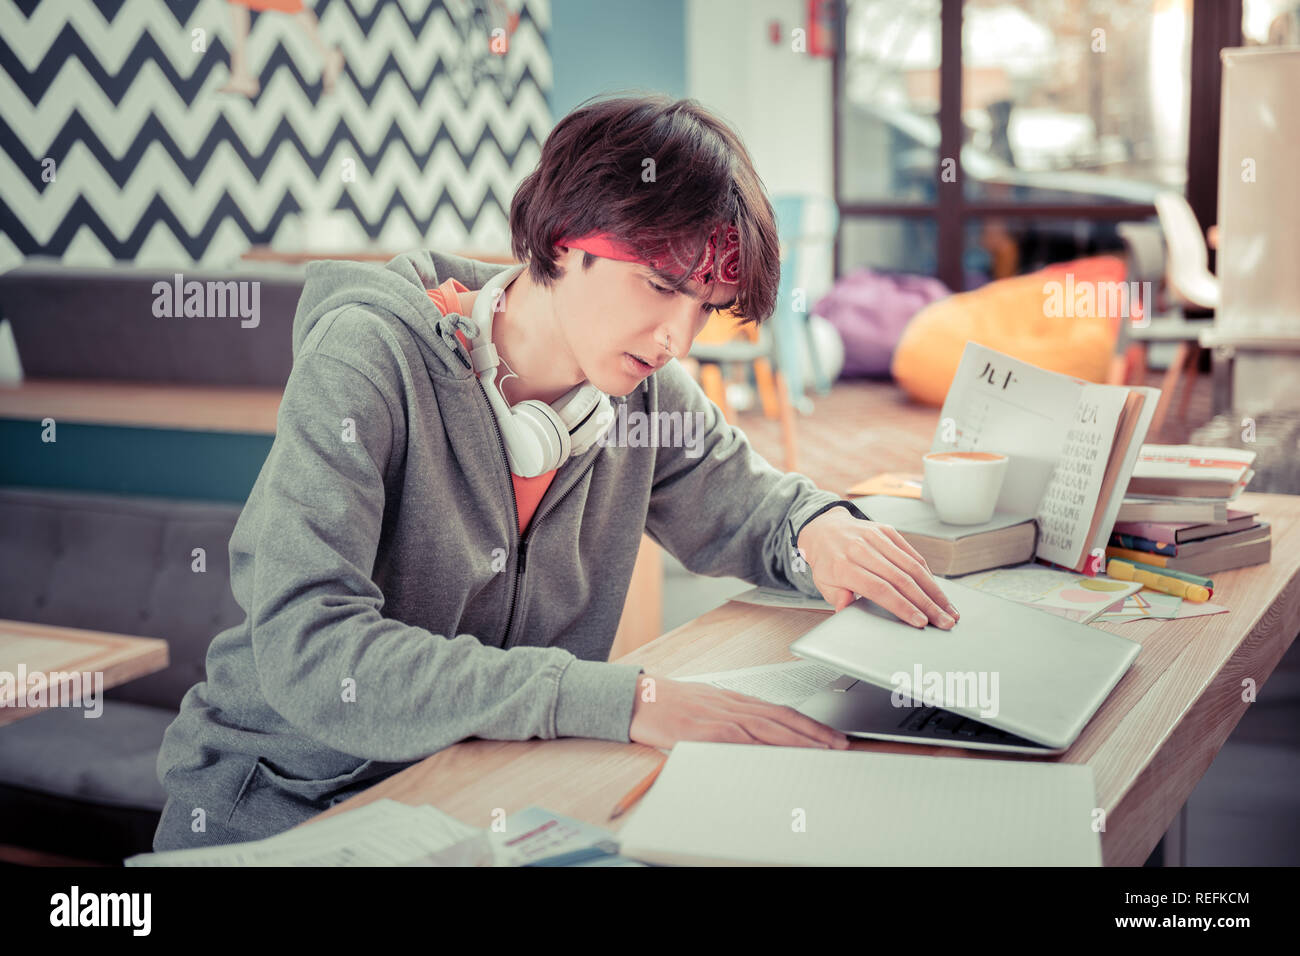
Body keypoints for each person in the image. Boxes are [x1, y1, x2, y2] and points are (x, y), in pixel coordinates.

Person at [152, 94, 957, 851]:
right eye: (660, 286)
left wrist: (819, 527)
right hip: (284, 806)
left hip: (479, 787)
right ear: (567, 239)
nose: (679, 336)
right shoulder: (368, 361)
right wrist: (618, 698)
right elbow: (311, 647)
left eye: (703, 307)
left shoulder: (642, 391)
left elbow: (750, 505)